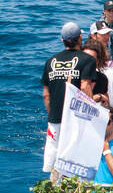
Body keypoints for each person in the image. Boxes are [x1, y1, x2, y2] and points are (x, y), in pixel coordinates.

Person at [40, 21, 98, 172]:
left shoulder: (50, 62)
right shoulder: (87, 60)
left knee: (53, 156)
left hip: (54, 119)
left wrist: (53, 113)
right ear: (80, 38)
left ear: (62, 40)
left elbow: (46, 95)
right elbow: (85, 86)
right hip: (75, 118)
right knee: (76, 161)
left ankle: (53, 187)